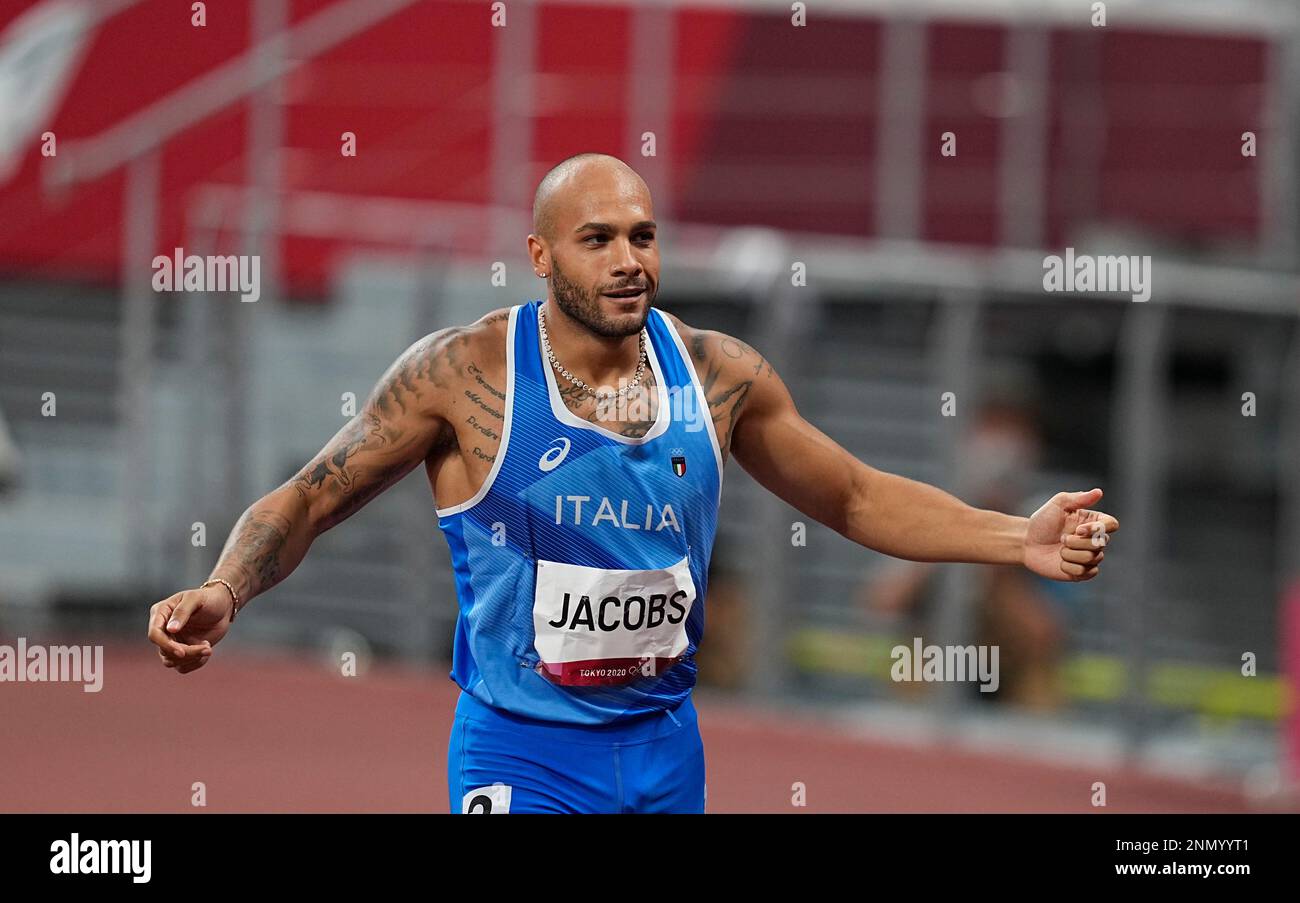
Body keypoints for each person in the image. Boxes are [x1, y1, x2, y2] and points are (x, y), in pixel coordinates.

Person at [146, 152, 1119, 813]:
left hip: (664, 751)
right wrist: (224, 588)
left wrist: (1014, 537)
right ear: (540, 256)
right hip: (520, 750)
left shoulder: (719, 374)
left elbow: (856, 496)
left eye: (642, 237)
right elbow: (310, 493)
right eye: (597, 239)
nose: (627, 262)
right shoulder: (463, 375)